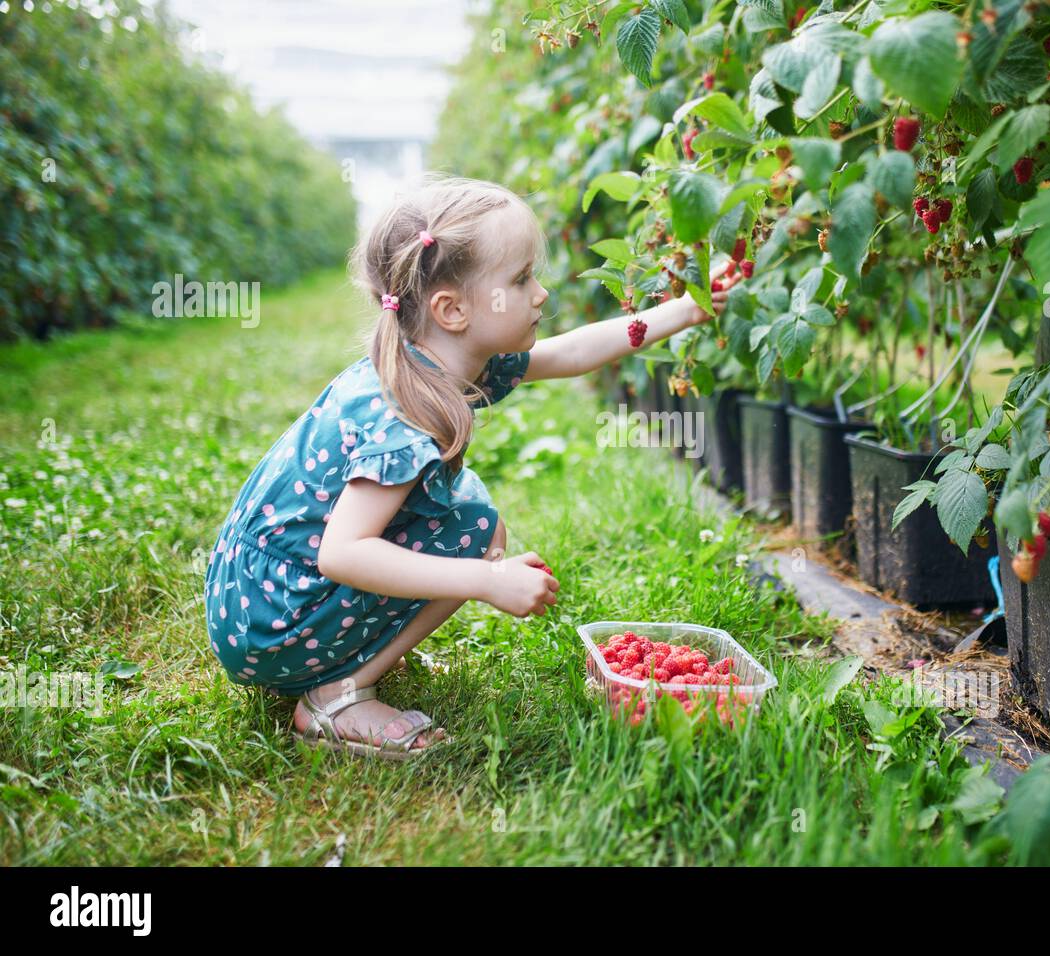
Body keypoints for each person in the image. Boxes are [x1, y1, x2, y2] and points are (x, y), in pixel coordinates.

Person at [204, 173, 733, 759]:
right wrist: (487, 582)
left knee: (478, 525)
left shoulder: (436, 357)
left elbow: (572, 353)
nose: (541, 295)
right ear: (452, 309)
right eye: (521, 279)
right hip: (270, 617)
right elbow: (342, 553)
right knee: (477, 543)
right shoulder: (403, 415)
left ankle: (354, 658)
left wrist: (685, 310)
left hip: (263, 598)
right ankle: (337, 694)